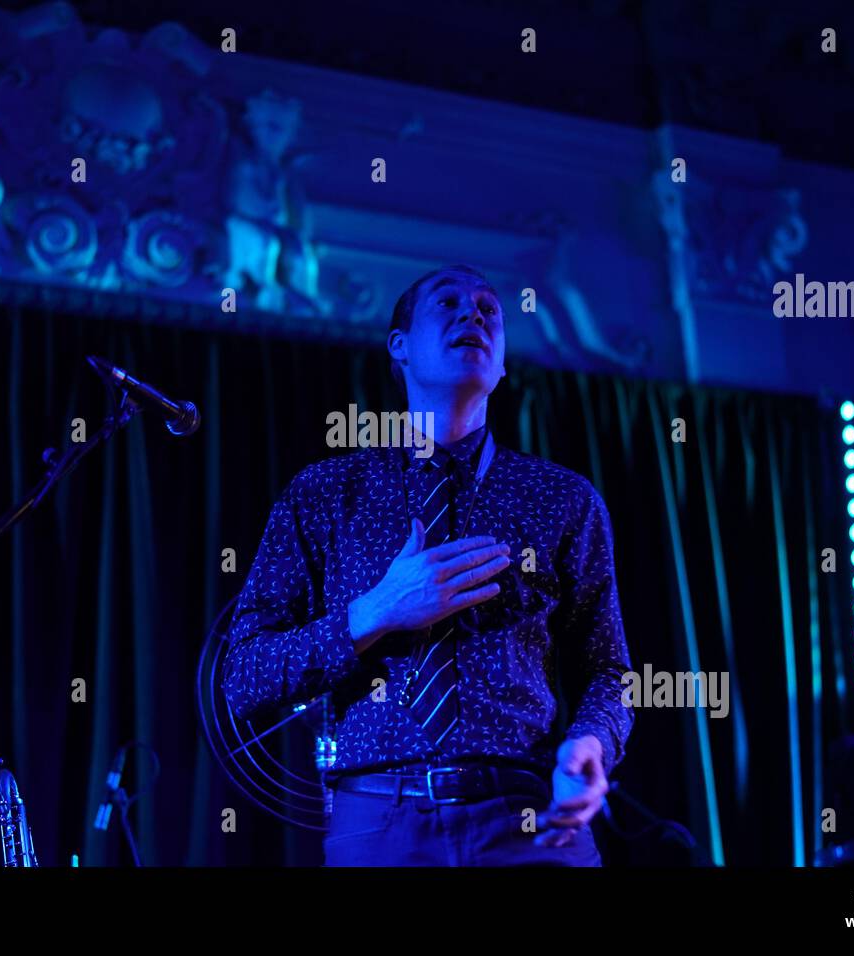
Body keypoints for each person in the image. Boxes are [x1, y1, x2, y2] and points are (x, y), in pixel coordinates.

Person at [221, 264, 632, 866]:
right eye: (449, 304)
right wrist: (376, 611)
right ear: (400, 347)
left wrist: (593, 741)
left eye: (490, 309)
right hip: (379, 824)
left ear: (502, 367)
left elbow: (610, 672)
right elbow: (244, 677)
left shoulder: (565, 499)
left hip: (529, 818)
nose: (475, 316)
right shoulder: (324, 493)